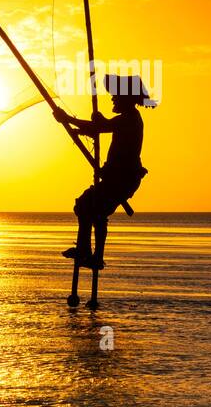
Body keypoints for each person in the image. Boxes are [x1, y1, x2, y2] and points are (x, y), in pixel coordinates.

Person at [54, 74, 154, 270]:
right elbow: (100, 127)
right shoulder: (126, 120)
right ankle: (87, 252)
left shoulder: (129, 119)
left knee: (92, 209)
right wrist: (87, 127)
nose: (113, 98)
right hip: (116, 180)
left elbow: (101, 127)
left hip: (122, 181)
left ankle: (93, 255)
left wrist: (67, 119)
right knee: (86, 206)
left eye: (116, 95)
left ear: (127, 97)